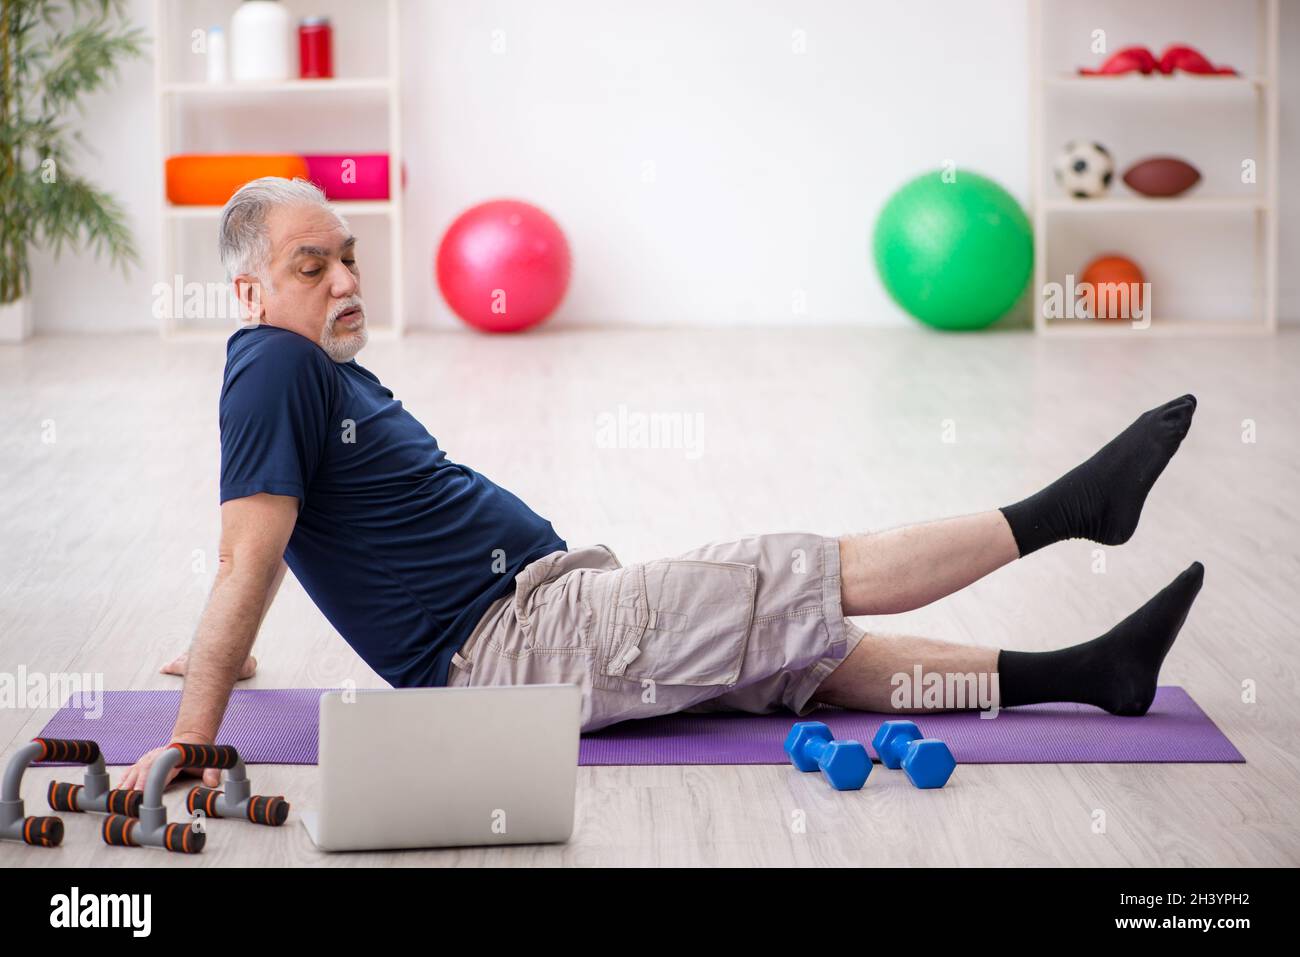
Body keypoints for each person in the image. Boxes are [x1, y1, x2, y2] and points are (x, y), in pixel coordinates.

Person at [120, 177, 1203, 791]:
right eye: (313, 267)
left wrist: (231, 643)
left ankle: (1089, 670)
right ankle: (1075, 510)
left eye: (348, 254)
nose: (345, 280)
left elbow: (264, 538)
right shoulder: (273, 361)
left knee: (804, 658)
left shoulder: (298, 368)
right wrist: (189, 733)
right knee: (786, 574)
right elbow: (246, 551)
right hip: (524, 644)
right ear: (251, 287)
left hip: (536, 630)